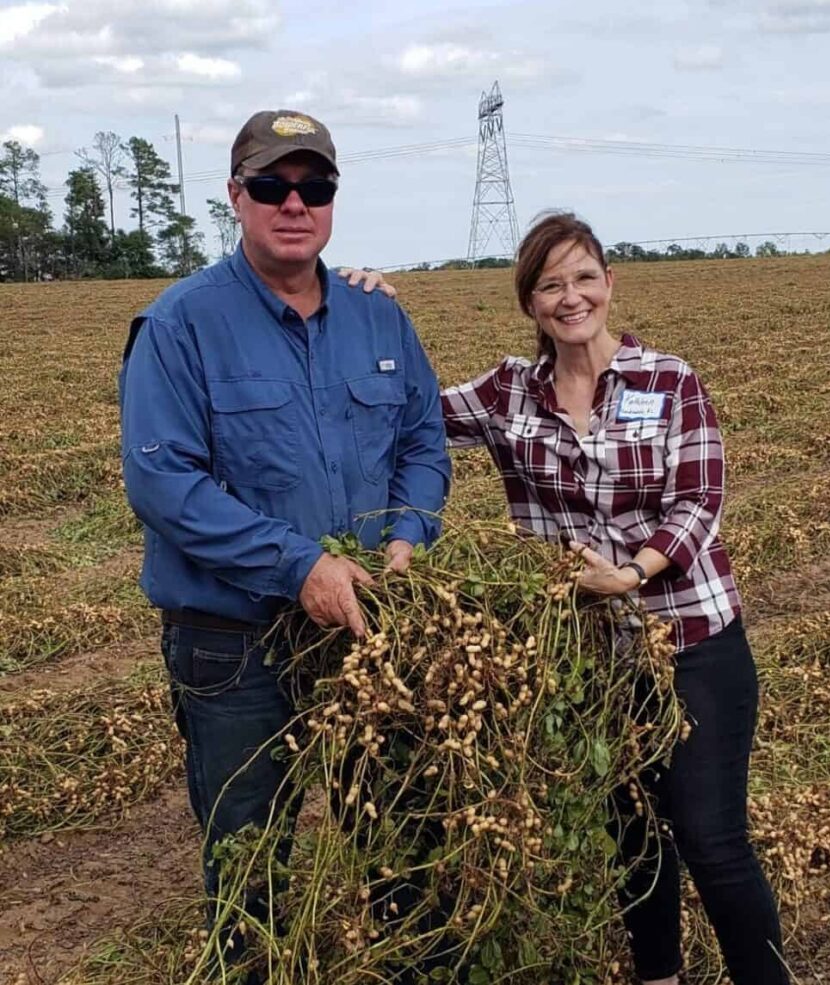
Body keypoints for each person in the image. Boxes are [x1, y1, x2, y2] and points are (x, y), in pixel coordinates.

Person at [399, 211, 786, 984]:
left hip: (690, 638)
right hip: (589, 660)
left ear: (610, 283)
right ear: (530, 303)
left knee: (711, 838)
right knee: (633, 834)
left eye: (583, 278)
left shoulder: (667, 379)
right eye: (550, 284)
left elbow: (700, 499)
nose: (570, 296)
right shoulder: (508, 392)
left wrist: (634, 572)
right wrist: (369, 311)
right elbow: (410, 415)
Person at [118, 109, 451, 962]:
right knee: (250, 872)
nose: (293, 202)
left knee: (401, 847)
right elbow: (165, 483)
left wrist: (409, 531)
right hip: (235, 646)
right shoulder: (180, 323)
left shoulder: (380, 318)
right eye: (271, 184)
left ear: (333, 199)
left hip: (370, 629)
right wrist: (299, 563)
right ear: (236, 196)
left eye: (314, 186)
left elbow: (422, 439)